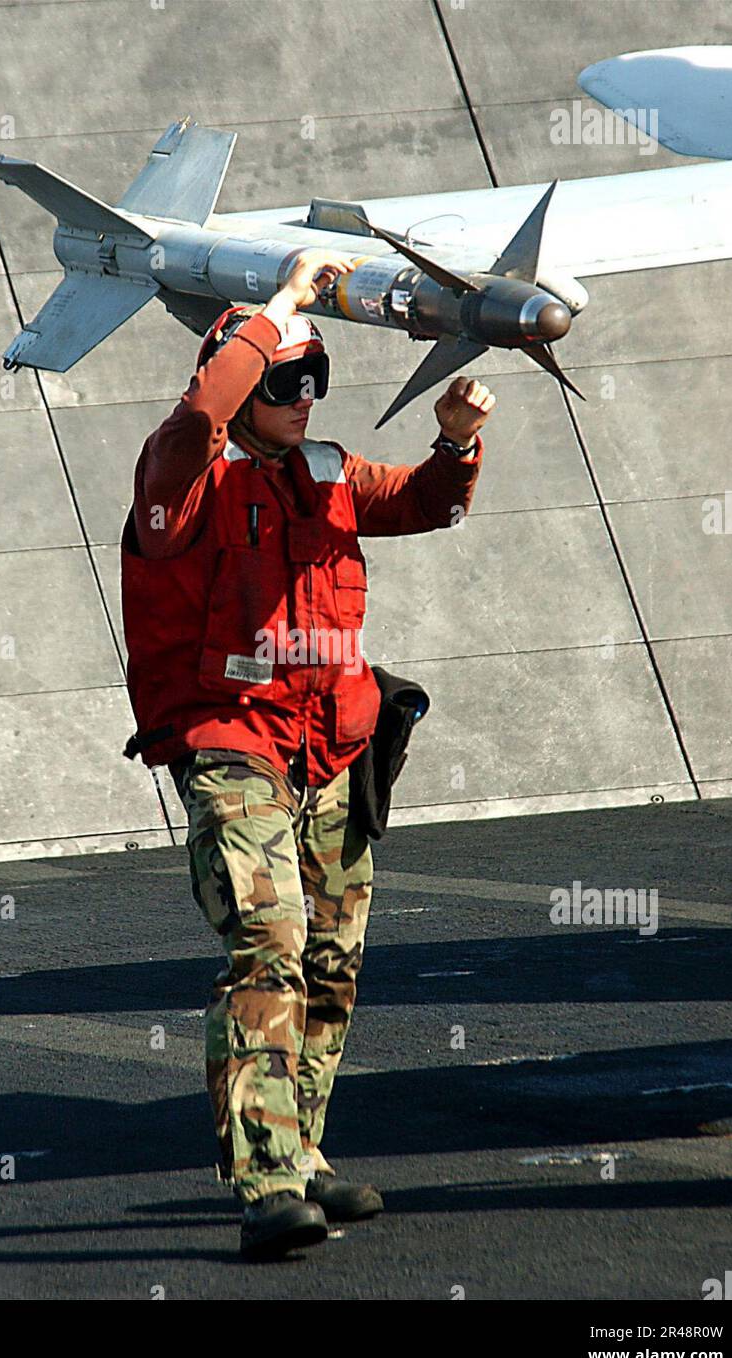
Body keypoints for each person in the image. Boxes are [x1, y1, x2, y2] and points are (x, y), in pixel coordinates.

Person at [120, 249, 496, 1259]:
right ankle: (265, 1178)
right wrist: (276, 306)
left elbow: (428, 506)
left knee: (332, 958)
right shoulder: (182, 477)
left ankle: (305, 1152)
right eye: (285, 381)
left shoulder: (327, 472)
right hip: (231, 744)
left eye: (316, 379)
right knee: (269, 941)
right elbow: (201, 413)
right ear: (245, 383)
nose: (304, 397)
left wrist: (454, 446)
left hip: (330, 749)